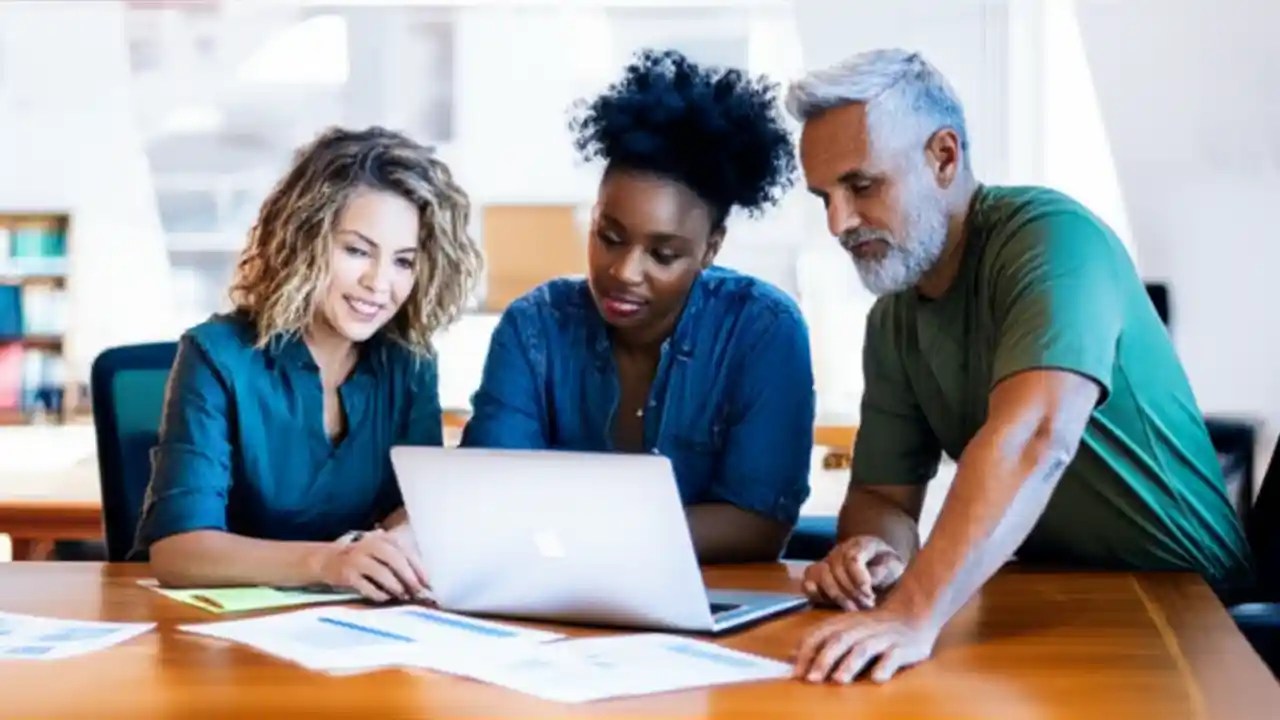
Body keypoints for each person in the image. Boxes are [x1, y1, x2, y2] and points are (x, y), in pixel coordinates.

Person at [784, 49, 1254, 683]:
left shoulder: (1053, 238)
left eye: (862, 186)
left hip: (1190, 609)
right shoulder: (894, 318)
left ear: (943, 157)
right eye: (825, 197)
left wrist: (913, 614)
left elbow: (1037, 437)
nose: (839, 222)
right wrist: (873, 559)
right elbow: (881, 496)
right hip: (1048, 598)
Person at [460, 49, 814, 563]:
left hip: (709, 595)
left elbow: (759, 524)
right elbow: (490, 492)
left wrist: (584, 533)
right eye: (609, 236)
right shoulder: (535, 328)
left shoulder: (763, 330)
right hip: (550, 591)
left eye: (663, 255)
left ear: (711, 248)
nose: (625, 272)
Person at [132, 127, 484, 602]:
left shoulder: (409, 362)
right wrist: (329, 563)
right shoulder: (216, 355)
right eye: (357, 251)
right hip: (217, 627)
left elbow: (409, 505)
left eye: (403, 262)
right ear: (305, 240)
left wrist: (404, 540)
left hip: (352, 622)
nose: (379, 283)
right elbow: (179, 550)